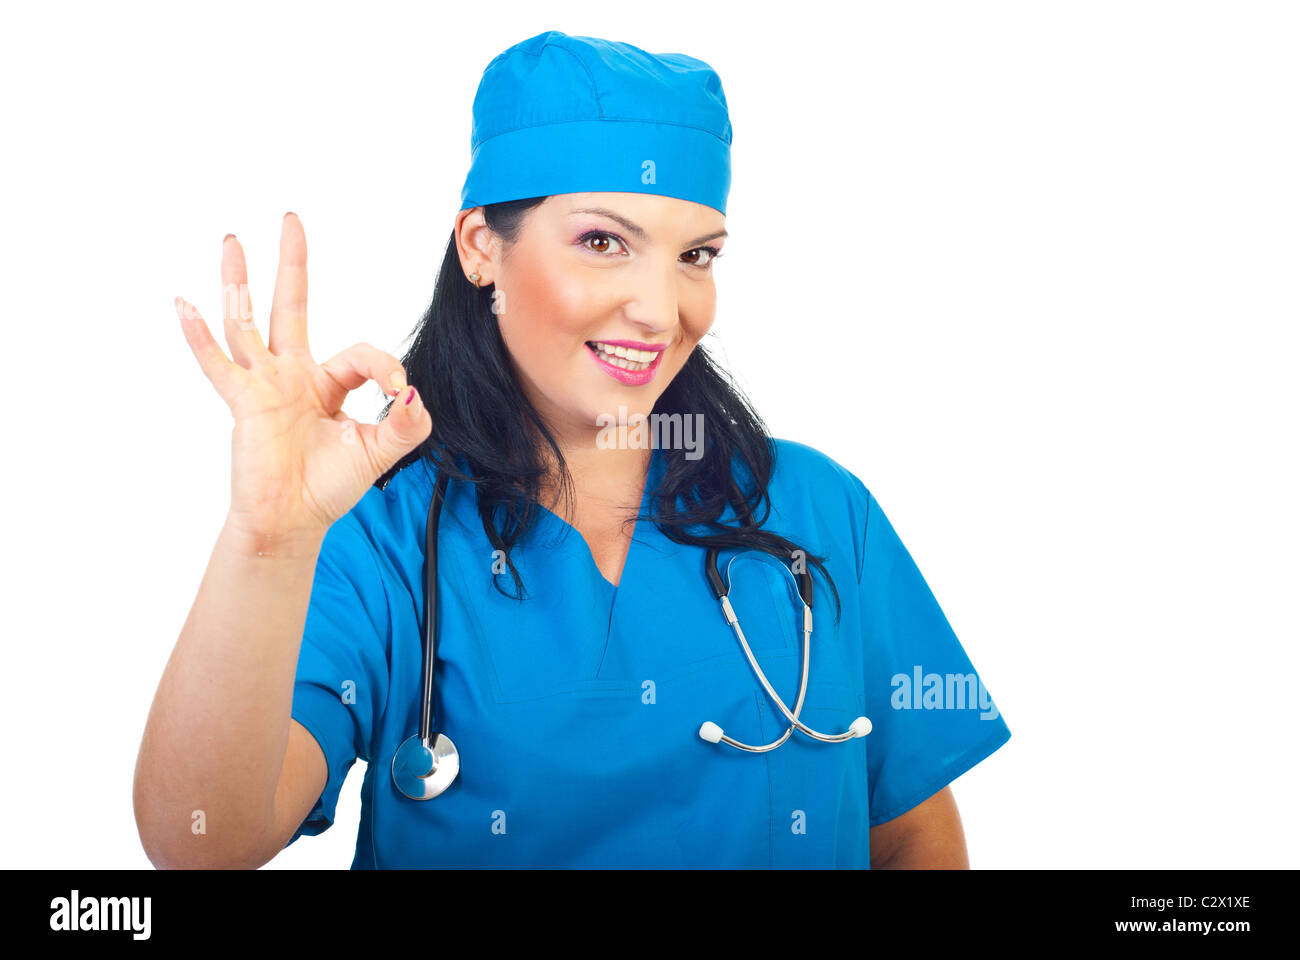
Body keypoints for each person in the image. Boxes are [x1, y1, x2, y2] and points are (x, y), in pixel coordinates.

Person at [134, 30, 1010, 870]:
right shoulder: (382, 540)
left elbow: (908, 835)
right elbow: (202, 844)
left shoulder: (821, 509)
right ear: (483, 248)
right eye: (604, 243)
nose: (663, 313)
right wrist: (267, 539)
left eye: (695, 255)